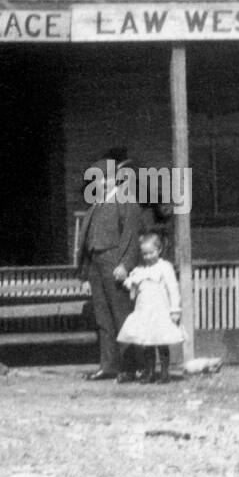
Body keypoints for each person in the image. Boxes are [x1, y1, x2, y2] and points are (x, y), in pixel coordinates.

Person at [77, 157, 144, 381]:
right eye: (99, 179)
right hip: (96, 266)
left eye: (107, 178)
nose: (103, 183)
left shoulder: (126, 201)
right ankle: (109, 366)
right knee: (103, 319)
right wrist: (85, 274)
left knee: (122, 316)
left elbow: (131, 236)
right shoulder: (95, 205)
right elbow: (87, 242)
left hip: (115, 265)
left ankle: (129, 367)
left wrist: (125, 265)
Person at [117, 230, 184, 383]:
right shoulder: (140, 270)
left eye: (151, 253)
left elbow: (173, 288)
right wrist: (126, 280)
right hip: (144, 311)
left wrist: (175, 310)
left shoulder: (164, 267)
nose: (147, 257)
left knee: (161, 342)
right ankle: (149, 372)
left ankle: (165, 373)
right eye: (144, 254)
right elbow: (131, 285)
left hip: (159, 311)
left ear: (159, 250)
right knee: (147, 343)